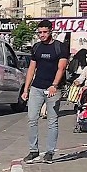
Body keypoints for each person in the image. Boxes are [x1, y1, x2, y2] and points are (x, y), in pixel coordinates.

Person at [21, 20, 68, 164]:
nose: (42, 35)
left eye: (45, 32)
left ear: (51, 31)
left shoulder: (60, 47)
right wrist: (26, 89)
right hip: (37, 87)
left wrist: (54, 85)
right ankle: (33, 151)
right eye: (40, 32)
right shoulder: (36, 48)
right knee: (32, 119)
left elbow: (62, 68)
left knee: (52, 120)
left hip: (53, 89)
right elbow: (31, 69)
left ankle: (49, 152)